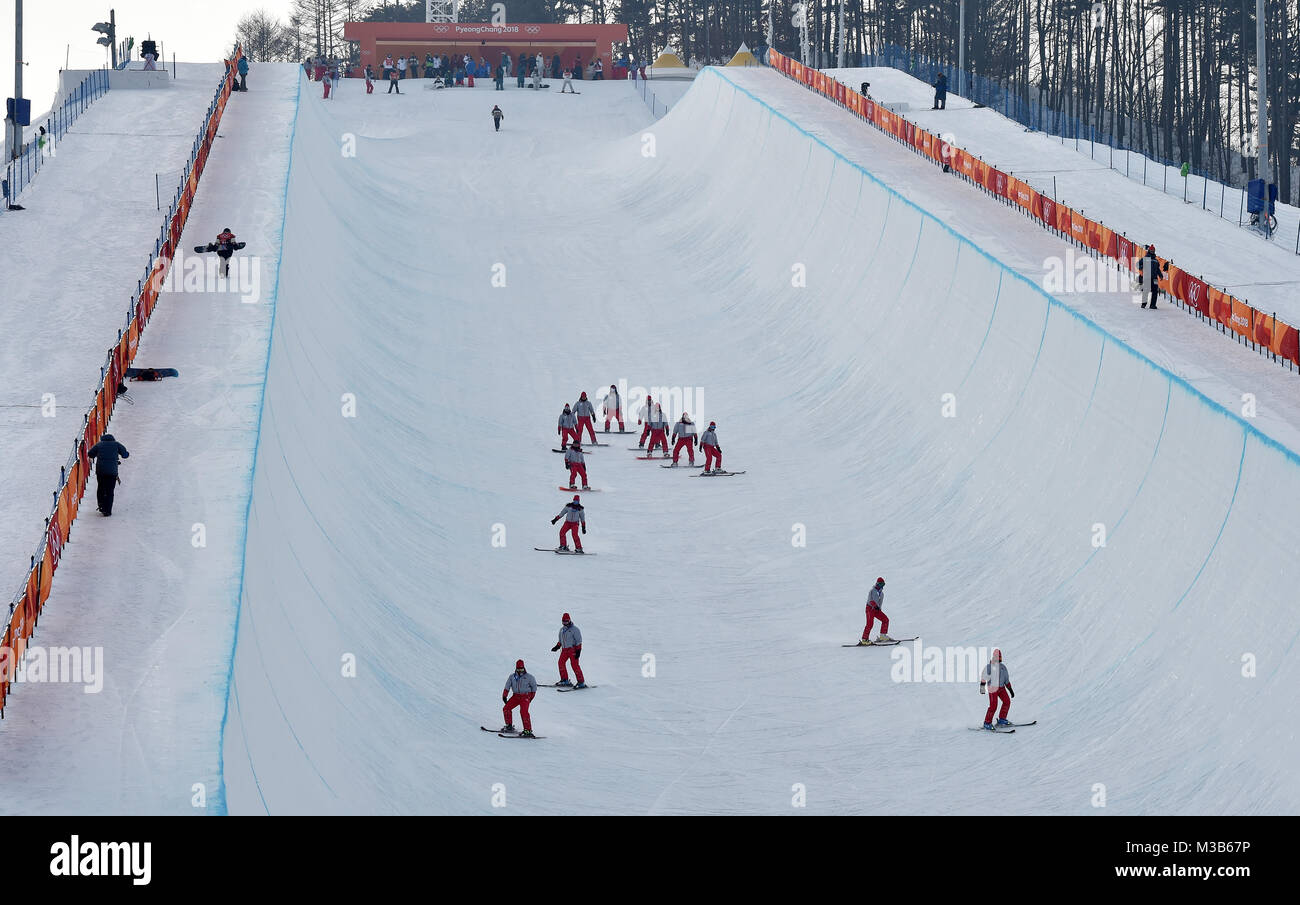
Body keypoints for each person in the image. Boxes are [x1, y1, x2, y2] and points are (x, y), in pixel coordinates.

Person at [87, 433, 129, 516]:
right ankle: (108, 510)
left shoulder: (99, 445)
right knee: (110, 491)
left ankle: (101, 505)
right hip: (112, 472)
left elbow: (90, 454)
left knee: (101, 488)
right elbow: (125, 455)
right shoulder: (116, 444)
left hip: (101, 471)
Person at [501, 659, 538, 737]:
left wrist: (530, 697)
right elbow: (507, 686)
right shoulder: (512, 677)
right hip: (516, 696)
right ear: (516, 668)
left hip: (525, 697)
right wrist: (505, 695)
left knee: (523, 712)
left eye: (521, 669)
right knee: (506, 708)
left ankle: (527, 730)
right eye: (518, 669)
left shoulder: (529, 677)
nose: (520, 671)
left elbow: (534, 687)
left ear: (524, 668)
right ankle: (509, 726)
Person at [980, 649, 1015, 729]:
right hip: (992, 688)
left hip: (1001, 688)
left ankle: (1002, 719)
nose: (998, 659)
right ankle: (987, 723)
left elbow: (1006, 680)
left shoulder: (1003, 667)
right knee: (993, 706)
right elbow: (983, 677)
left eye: (999, 657)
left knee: (1007, 701)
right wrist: (982, 687)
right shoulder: (989, 667)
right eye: (996, 657)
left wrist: (1010, 690)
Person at [550, 613, 586, 687]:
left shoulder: (575, 630)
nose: (565, 623)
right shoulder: (561, 630)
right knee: (561, 663)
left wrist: (578, 651)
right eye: (563, 621)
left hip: (573, 650)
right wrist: (557, 647)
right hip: (564, 650)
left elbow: (578, 641)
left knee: (574, 665)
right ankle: (564, 680)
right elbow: (560, 641)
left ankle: (581, 682)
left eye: (566, 621)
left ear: (569, 620)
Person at [858, 577, 893, 644]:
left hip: (877, 610)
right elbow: (870, 600)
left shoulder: (882, 593)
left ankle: (883, 636)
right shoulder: (872, 591)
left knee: (885, 619)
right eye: (880, 584)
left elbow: (880, 603)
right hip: (870, 609)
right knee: (870, 624)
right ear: (877, 584)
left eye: (883, 585)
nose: (882, 586)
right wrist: (874, 605)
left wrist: (879, 609)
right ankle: (864, 640)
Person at [1135, 244, 1167, 310]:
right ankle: (1143, 304)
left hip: (1154, 278)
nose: (1152, 251)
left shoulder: (1156, 260)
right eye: (1151, 250)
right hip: (1147, 277)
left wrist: (1160, 275)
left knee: (1155, 291)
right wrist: (1142, 267)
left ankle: (1153, 305)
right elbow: (1137, 264)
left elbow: (1157, 269)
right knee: (1146, 291)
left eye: (1153, 250)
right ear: (1149, 250)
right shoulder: (1145, 258)